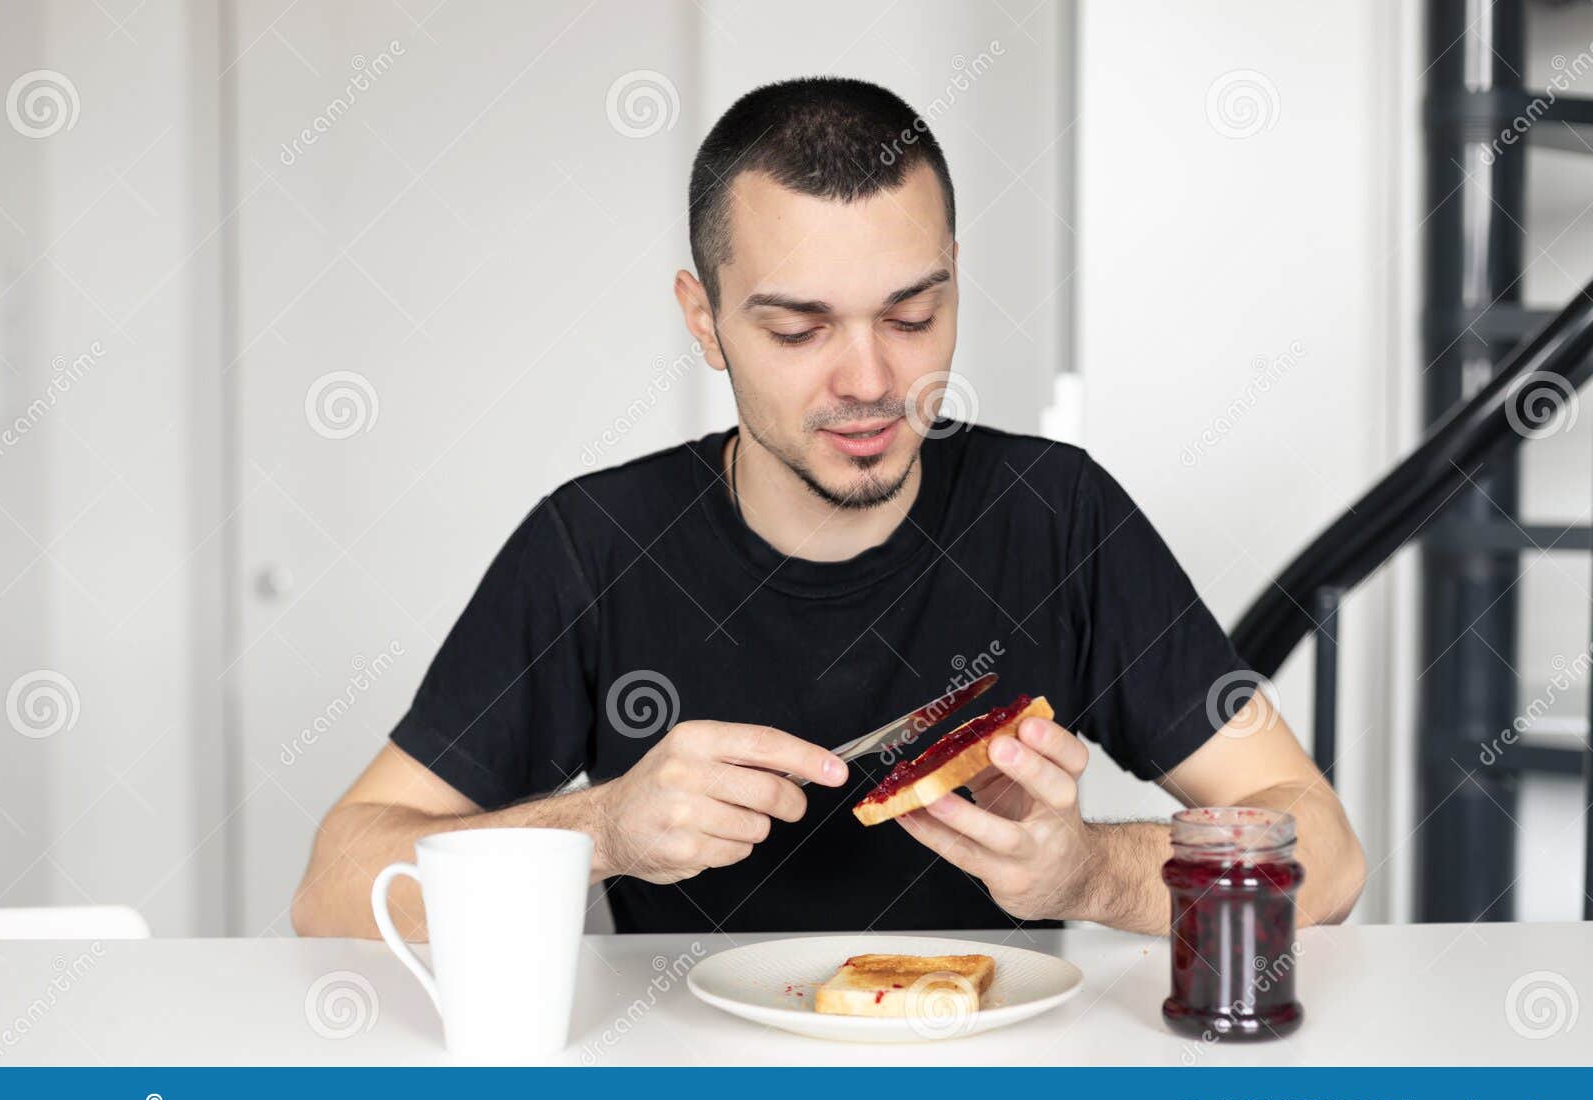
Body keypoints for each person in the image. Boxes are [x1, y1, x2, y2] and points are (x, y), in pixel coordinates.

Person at [293, 77, 1365, 939]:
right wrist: (601, 828)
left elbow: (1325, 850)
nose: (869, 381)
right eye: (798, 330)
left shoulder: (1057, 513)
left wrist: (1092, 875)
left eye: (911, 315)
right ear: (704, 319)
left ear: (954, 278)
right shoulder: (596, 544)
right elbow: (334, 890)